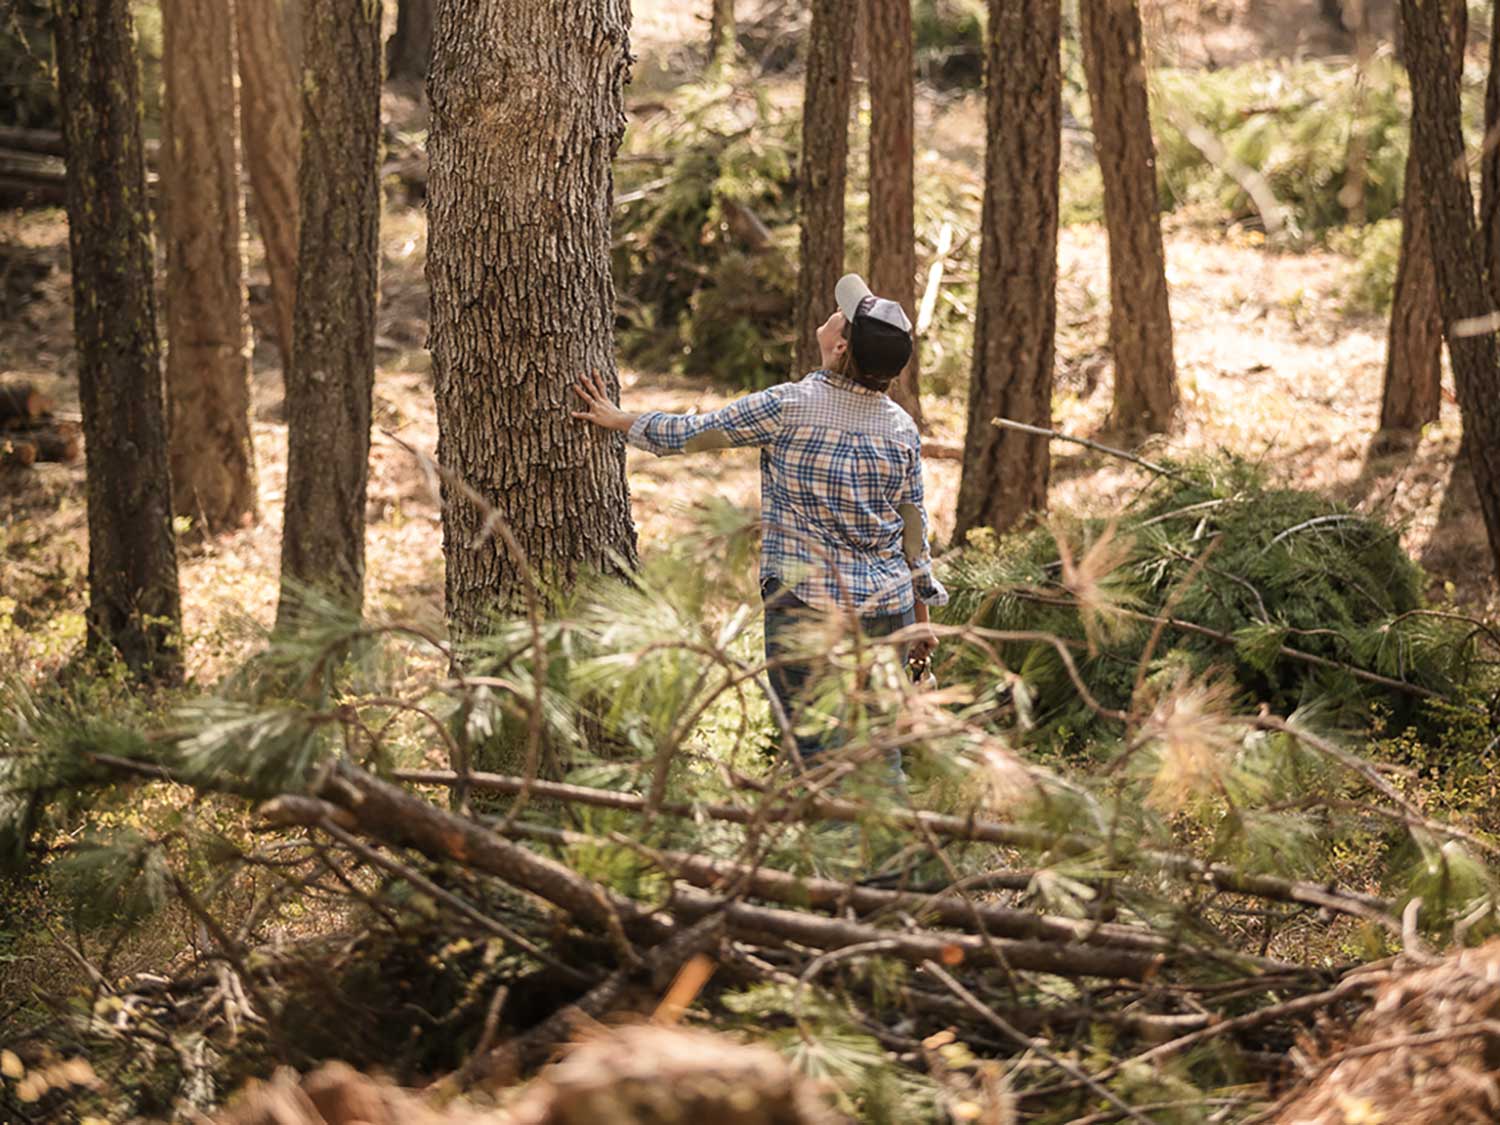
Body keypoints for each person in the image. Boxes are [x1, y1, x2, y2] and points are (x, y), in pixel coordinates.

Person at [572, 273, 948, 767]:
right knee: (878, 757)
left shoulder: (789, 405)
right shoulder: (901, 429)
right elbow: (913, 534)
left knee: (818, 758)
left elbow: (696, 434)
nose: (835, 311)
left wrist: (621, 421)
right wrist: (919, 623)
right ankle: (896, 844)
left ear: (839, 346)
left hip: (809, 609)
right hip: (886, 612)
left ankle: (837, 838)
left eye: (844, 314)